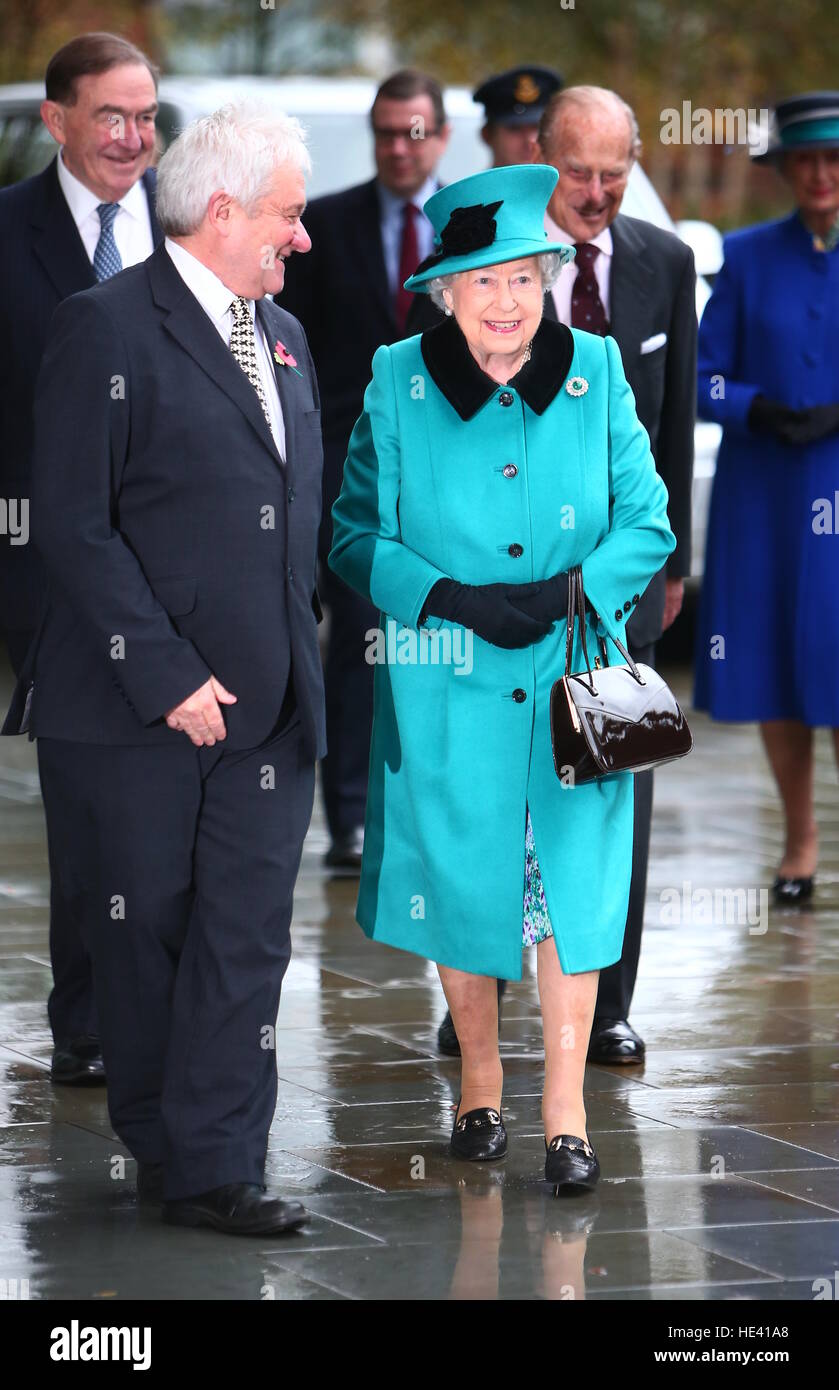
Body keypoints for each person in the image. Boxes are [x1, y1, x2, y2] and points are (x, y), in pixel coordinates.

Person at [3, 101, 326, 1235]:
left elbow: (295, 516)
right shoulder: (104, 329)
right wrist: (168, 674)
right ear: (224, 209)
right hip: (136, 709)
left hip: (271, 708)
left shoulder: (283, 337)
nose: (302, 238)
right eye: (288, 214)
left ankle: (216, 1164)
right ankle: (166, 1142)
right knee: (145, 937)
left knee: (245, 936)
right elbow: (74, 525)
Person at [328, 163, 675, 1190]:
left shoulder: (598, 369)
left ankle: (564, 1111)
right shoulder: (396, 382)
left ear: (548, 278)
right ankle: (479, 1083)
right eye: (481, 282)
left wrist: (578, 588)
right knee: (467, 877)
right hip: (448, 676)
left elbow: (646, 516)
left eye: (523, 277)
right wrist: (447, 597)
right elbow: (352, 537)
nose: (506, 301)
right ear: (445, 292)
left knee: (569, 887)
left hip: (575, 678)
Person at [437, 85, 696, 1064]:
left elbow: (669, 431)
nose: (595, 193)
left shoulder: (663, 264)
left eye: (613, 173)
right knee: (487, 801)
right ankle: (473, 1002)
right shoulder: (483, 258)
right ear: (539, 158)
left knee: (607, 800)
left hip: (616, 589)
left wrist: (671, 566)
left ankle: (605, 1007)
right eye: (577, 173)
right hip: (493, 594)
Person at [0, 32, 164, 1088]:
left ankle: (168, 1004)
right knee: (88, 796)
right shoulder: (6, 232)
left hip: (180, 559)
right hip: (47, 568)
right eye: (109, 115)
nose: (131, 137)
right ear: (56, 119)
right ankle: (88, 1020)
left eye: (146, 117)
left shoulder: (189, 223)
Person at [281, 69, 448, 872]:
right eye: (385, 131)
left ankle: (431, 810)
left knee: (444, 639)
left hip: (451, 476)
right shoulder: (327, 224)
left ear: (441, 138)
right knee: (357, 636)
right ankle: (349, 817)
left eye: (413, 131)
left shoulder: (471, 225)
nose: (398, 147)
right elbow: (293, 349)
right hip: (350, 472)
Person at [694, 92, 839, 905]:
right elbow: (704, 374)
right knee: (781, 666)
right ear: (783, 168)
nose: (820, 174)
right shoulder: (745, 256)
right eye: (805, 160)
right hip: (769, 492)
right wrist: (758, 407)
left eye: (833, 160)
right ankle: (799, 842)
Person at [473, 65, 563, 168]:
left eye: (538, 127)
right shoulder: (470, 185)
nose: (530, 140)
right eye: (515, 128)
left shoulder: (575, 183)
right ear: (487, 135)